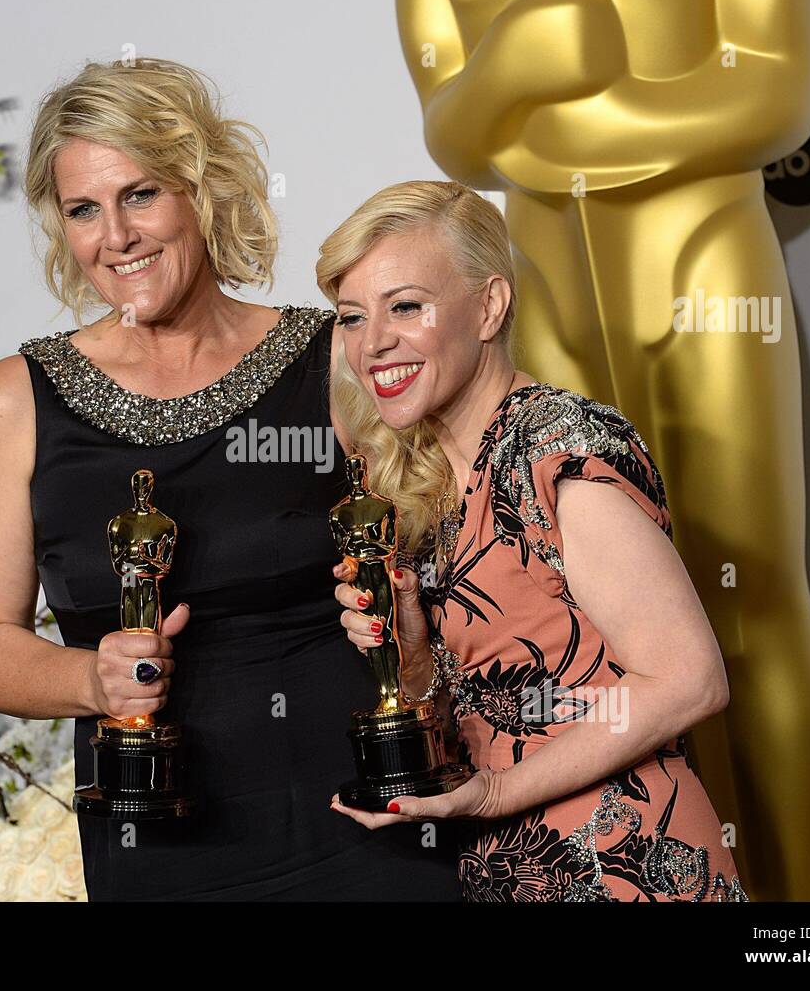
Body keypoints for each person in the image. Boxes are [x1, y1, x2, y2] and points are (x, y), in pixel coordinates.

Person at [0, 60, 458, 900]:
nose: (115, 236)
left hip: (373, 826)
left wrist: (414, 651)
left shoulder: (335, 358)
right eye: (84, 210)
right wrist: (90, 679)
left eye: (140, 194)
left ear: (203, 188)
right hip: (160, 846)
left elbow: (457, 582)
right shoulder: (14, 402)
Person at [321, 179, 748, 902]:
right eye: (352, 318)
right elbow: (482, 707)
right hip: (514, 873)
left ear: (489, 305)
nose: (373, 345)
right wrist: (414, 647)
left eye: (405, 307)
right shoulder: (424, 488)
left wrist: (493, 794)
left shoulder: (555, 448)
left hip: (629, 866)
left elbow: (688, 679)